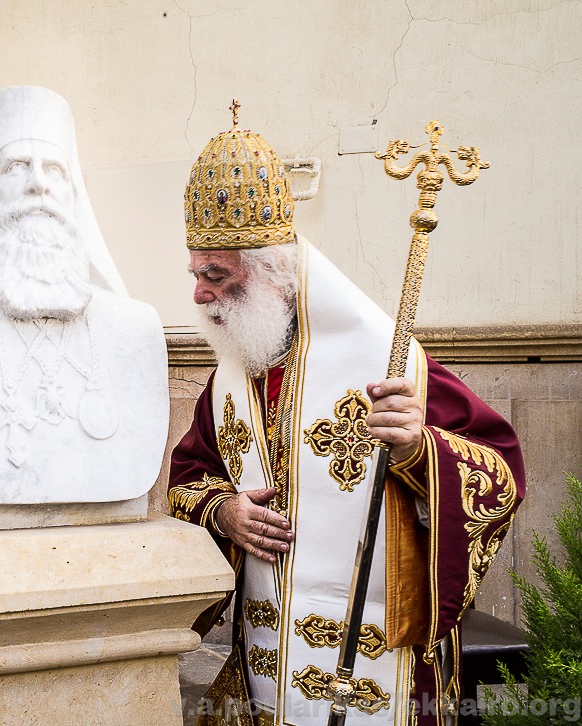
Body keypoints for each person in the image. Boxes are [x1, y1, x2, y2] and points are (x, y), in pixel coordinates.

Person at [169, 109, 525, 725]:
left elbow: (502, 474)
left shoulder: (387, 361)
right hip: (266, 659)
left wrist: (420, 451)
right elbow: (188, 477)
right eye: (197, 273)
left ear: (274, 274)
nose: (199, 293)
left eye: (216, 275)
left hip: (378, 668)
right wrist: (224, 511)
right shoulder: (233, 372)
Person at [0, 86, 168, 508]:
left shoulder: (135, 325)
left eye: (55, 170)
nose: (38, 184)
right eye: (17, 166)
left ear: (72, 195)